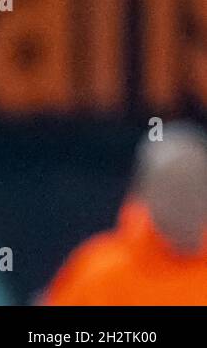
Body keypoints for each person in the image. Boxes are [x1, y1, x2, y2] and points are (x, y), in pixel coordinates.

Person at [43, 122, 207, 305]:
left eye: (196, 185)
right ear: (142, 193)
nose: (185, 201)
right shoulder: (98, 273)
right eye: (171, 188)